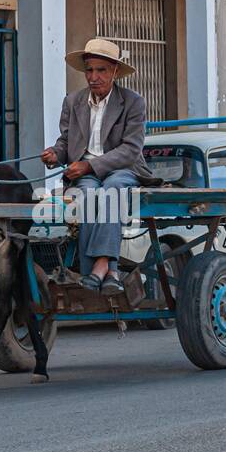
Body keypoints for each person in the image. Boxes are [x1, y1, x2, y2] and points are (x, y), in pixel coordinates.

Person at [41, 37, 161, 295]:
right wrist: (55, 154)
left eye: (101, 70)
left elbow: (130, 150)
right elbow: (65, 142)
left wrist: (88, 167)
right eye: (89, 70)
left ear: (115, 72)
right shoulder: (72, 101)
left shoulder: (133, 102)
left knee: (113, 188)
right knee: (86, 195)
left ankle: (97, 269)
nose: (93, 76)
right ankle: (111, 272)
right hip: (86, 176)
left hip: (123, 170)